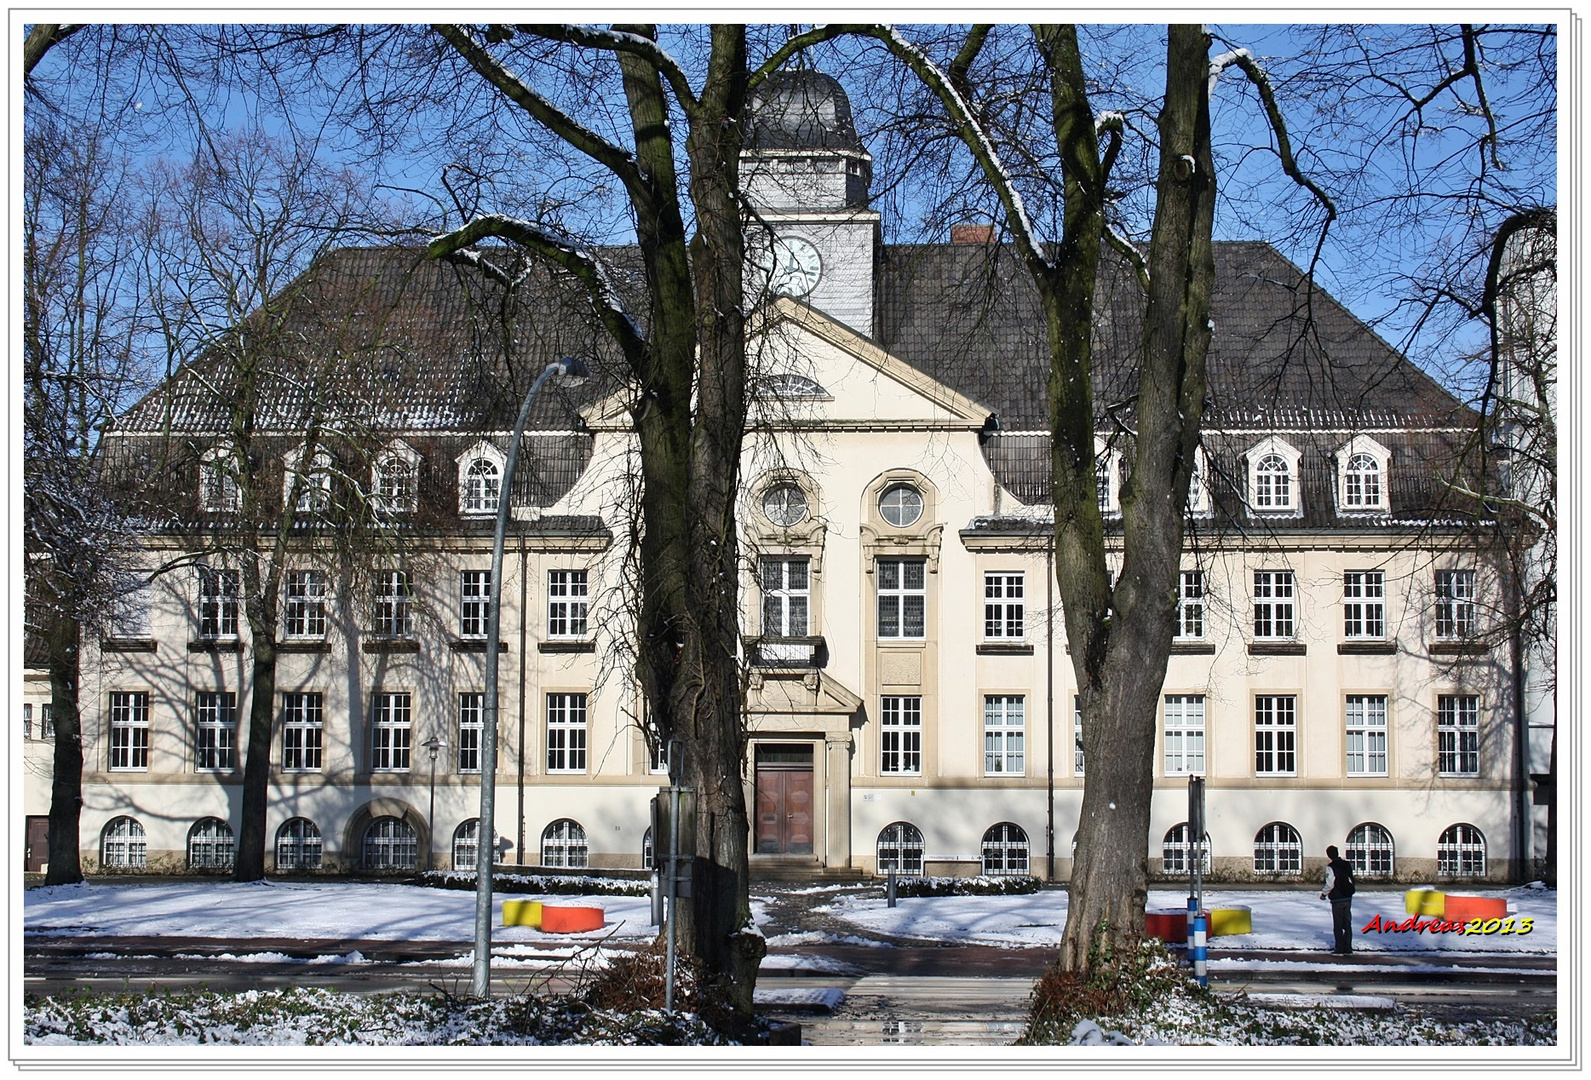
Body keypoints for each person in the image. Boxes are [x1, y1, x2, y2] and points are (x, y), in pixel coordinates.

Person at [1319, 845, 1356, 955]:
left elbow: (1330, 883)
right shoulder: (1346, 864)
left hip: (1337, 898)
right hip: (1347, 897)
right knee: (1347, 923)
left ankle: (1339, 947)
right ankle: (1348, 947)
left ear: (1329, 855)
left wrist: (1324, 894)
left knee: (1338, 925)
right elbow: (1351, 879)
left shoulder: (1330, 867)